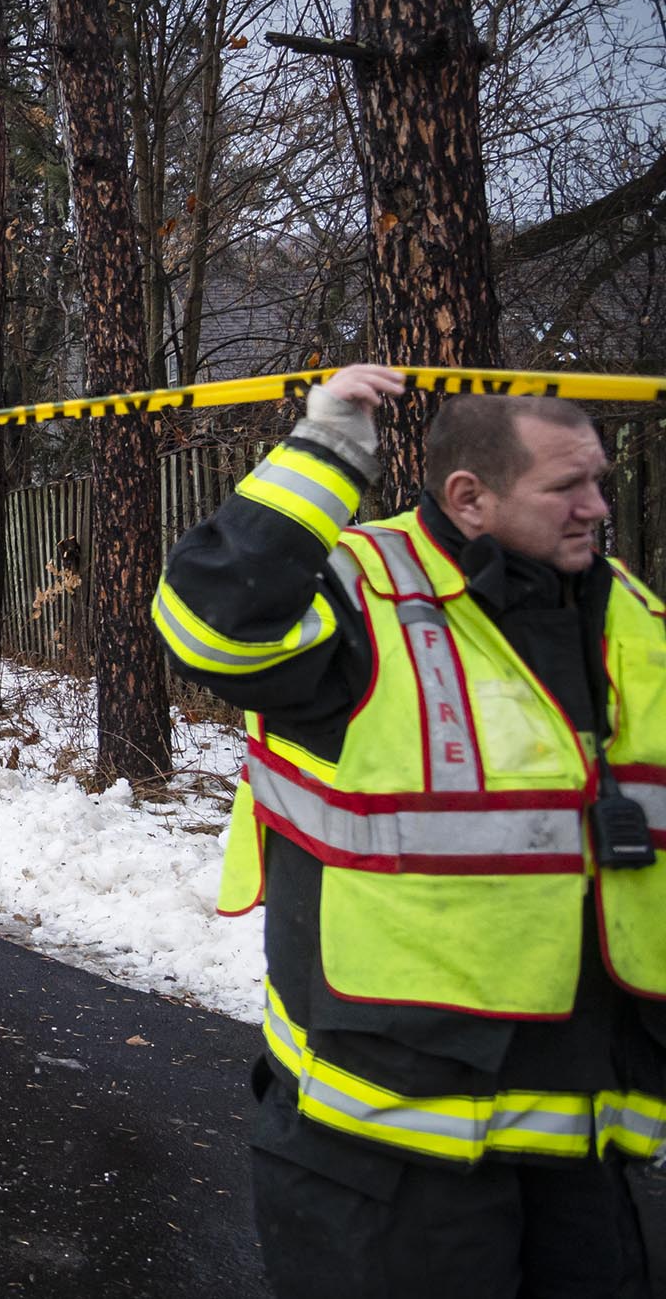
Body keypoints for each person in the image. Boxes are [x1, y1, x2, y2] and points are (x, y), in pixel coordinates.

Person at [153, 364, 665, 1298]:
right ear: (469, 497)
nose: (599, 504)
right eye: (568, 486)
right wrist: (328, 452)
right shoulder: (363, 598)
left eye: (600, 477)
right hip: (386, 1156)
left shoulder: (626, 608)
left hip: (586, 1137)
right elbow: (208, 620)